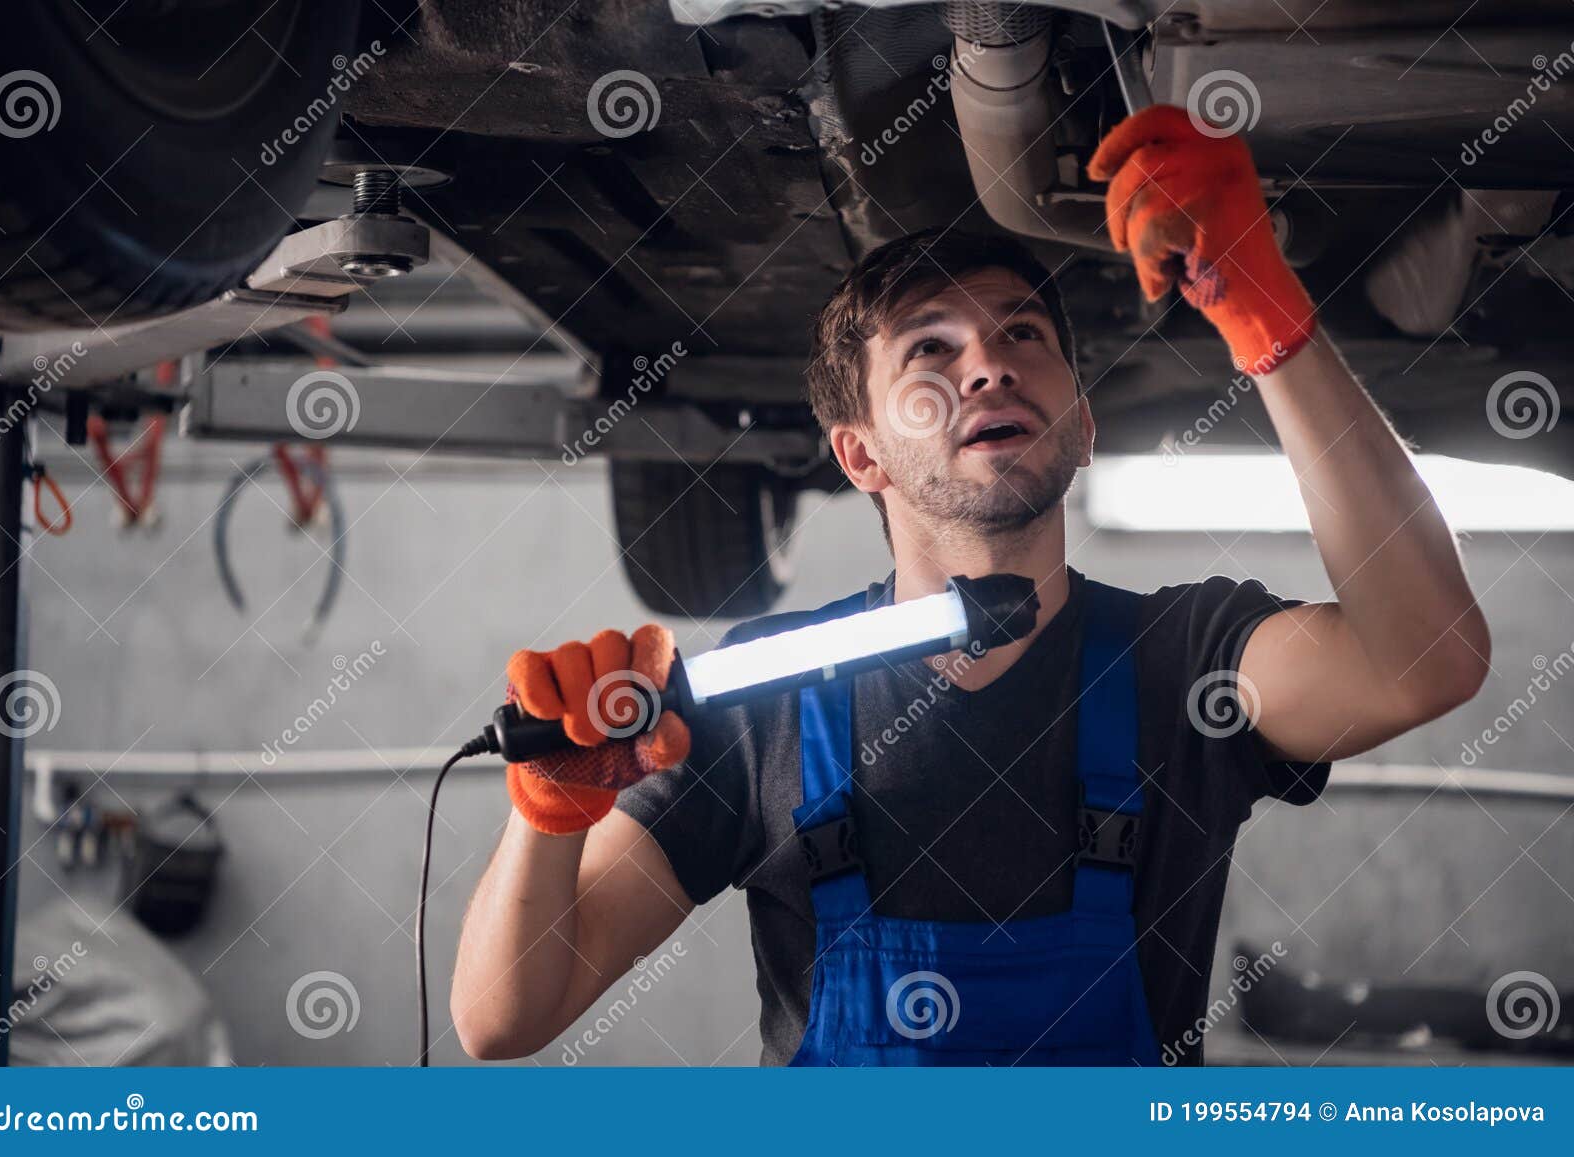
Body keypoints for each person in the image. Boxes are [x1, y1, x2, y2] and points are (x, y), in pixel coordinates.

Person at [450, 106, 1490, 1065]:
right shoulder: (761, 701)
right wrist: (549, 817)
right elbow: (504, 1015)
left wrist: (1269, 312)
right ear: (859, 456)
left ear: (1082, 424)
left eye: (1021, 335)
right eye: (930, 351)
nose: (988, 365)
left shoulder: (1184, 661)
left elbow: (1423, 661)